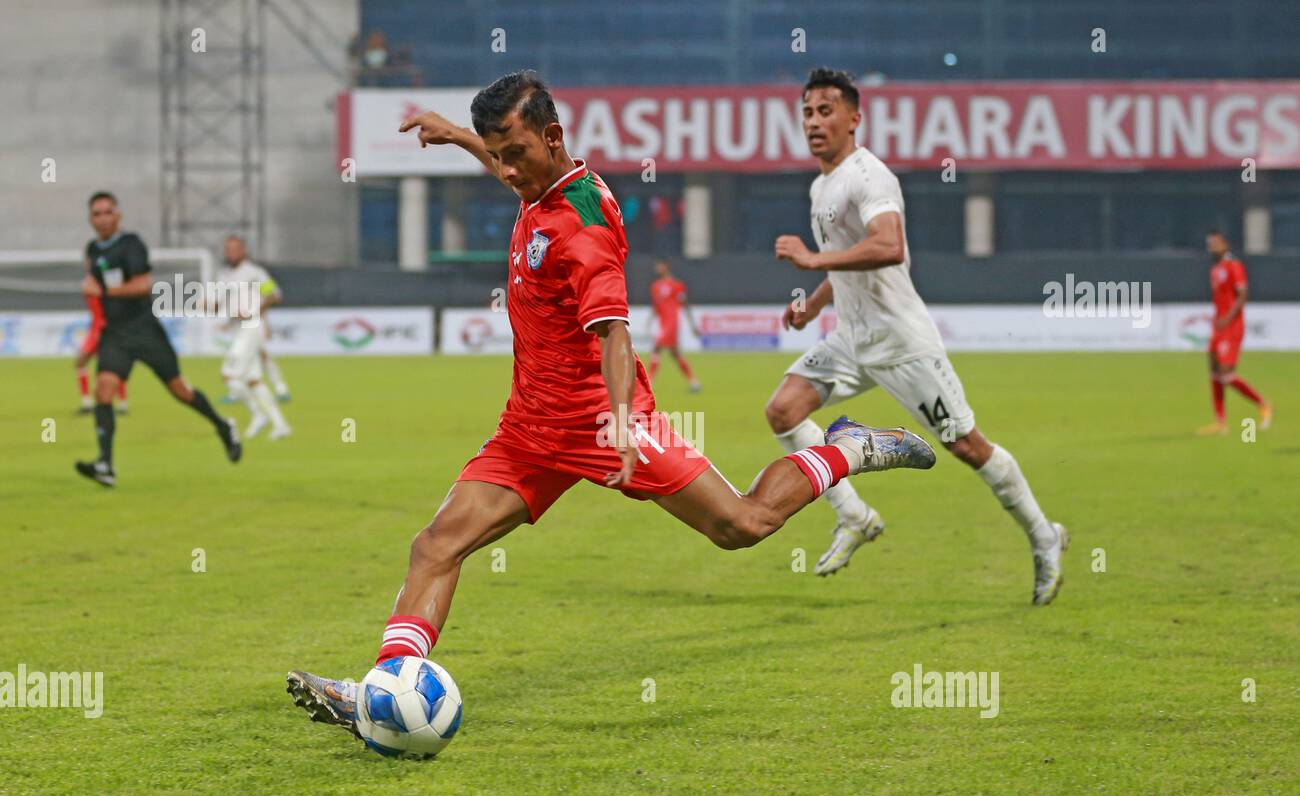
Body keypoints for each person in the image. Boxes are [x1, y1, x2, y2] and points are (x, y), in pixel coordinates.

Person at [287, 70, 936, 738]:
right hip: (530, 429)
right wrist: (456, 137)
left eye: (515, 155)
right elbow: (508, 161)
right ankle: (381, 690)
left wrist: (624, 421)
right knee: (435, 546)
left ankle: (850, 447)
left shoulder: (584, 226)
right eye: (498, 156)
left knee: (740, 526)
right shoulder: (537, 181)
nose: (507, 172)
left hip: (602, 423)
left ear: (554, 137)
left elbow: (615, 333)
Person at [766, 68, 1066, 603]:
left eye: (826, 110)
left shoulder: (870, 176)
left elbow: (889, 246)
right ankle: (855, 516)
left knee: (967, 446)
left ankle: (1045, 536)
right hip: (851, 341)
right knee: (783, 411)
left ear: (854, 118)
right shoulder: (821, 185)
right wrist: (812, 307)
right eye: (808, 111)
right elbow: (849, 265)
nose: (815, 121)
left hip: (901, 343)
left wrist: (811, 259)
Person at [74, 192, 241, 487]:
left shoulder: (131, 245)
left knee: (180, 390)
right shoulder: (92, 250)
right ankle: (105, 465)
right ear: (90, 219)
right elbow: (96, 290)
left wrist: (104, 292)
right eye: (97, 214)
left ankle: (223, 426)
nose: (102, 218)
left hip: (145, 330)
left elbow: (142, 285)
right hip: (115, 334)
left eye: (107, 212)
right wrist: (94, 332)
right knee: (103, 391)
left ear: (118, 216)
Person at [214, 235, 291, 439]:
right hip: (238, 329)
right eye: (227, 249)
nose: (230, 253)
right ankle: (281, 425)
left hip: (251, 327)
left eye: (234, 249)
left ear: (243, 251)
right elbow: (223, 304)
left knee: (228, 375)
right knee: (253, 380)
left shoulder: (254, 273)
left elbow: (274, 294)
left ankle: (258, 415)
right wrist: (214, 309)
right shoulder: (224, 276)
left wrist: (254, 311)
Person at [1197, 230, 1271, 435]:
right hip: (1219, 326)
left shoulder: (1234, 267)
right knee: (1213, 370)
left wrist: (1227, 319)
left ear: (1226, 245)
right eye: (1209, 243)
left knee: (1226, 374)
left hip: (1231, 327)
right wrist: (1216, 320)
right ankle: (1220, 422)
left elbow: (1242, 296)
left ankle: (1262, 404)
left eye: (1215, 243)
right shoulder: (1215, 269)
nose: (1211, 247)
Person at [647, 259, 701, 391]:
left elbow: (685, 305)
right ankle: (693, 382)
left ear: (666, 266)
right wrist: (650, 320)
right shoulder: (655, 286)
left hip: (672, 323)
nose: (657, 268)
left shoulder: (677, 285)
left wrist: (692, 325)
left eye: (660, 265)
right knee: (675, 353)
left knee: (657, 347)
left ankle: (649, 382)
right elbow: (657, 306)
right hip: (663, 323)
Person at [76, 293, 127, 415]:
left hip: (101, 329)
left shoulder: (98, 287)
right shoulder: (108, 289)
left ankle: (88, 403)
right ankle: (122, 403)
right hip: (103, 327)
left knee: (82, 362)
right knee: (114, 364)